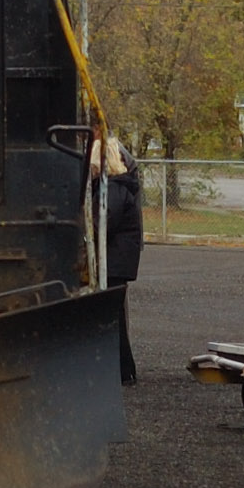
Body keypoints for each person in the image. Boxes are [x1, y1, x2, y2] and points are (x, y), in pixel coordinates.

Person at [101, 136, 145, 384]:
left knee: (113, 316)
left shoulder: (115, 190)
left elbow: (105, 223)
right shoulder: (121, 187)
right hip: (120, 260)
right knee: (114, 315)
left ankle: (123, 371)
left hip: (115, 262)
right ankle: (123, 370)